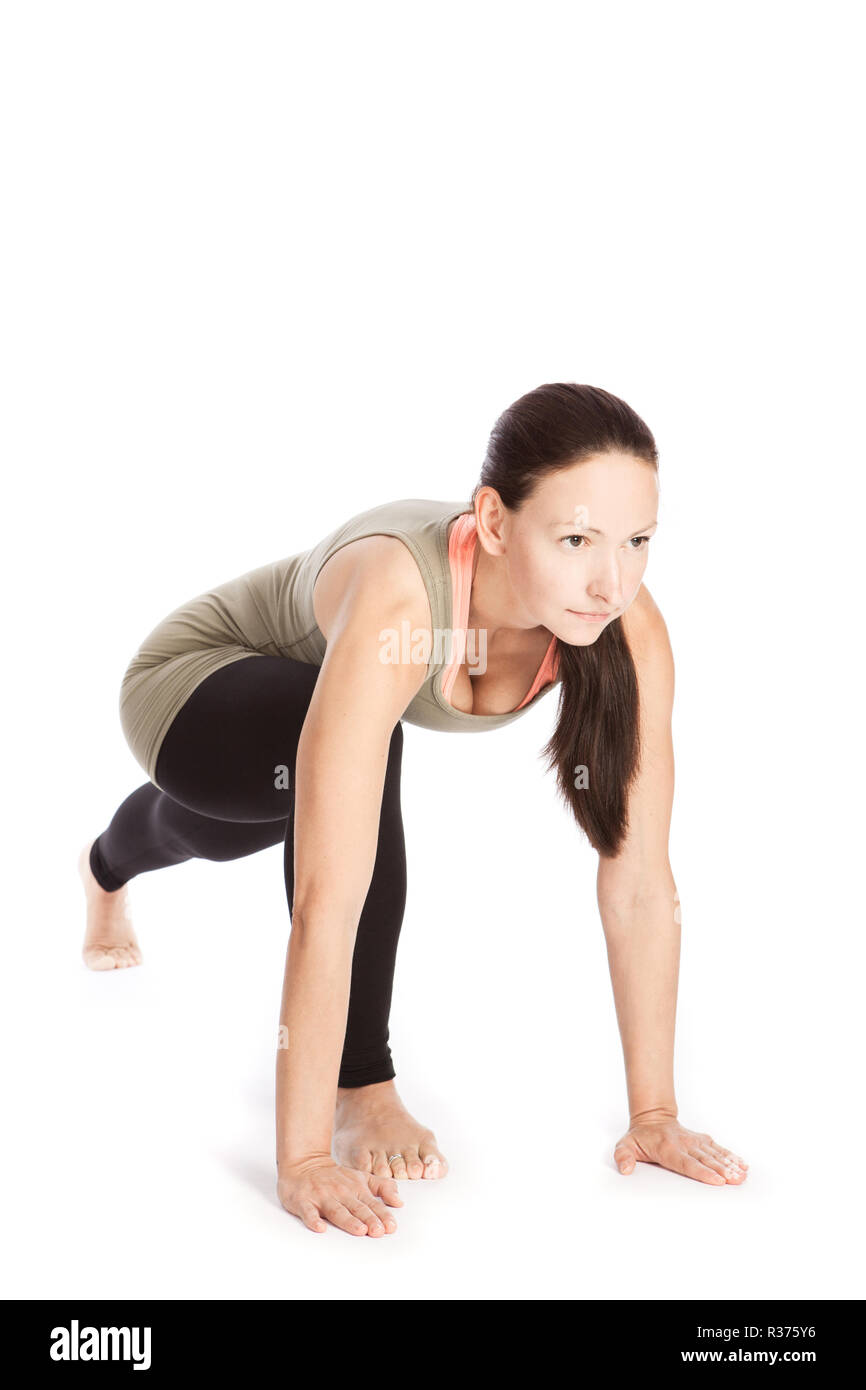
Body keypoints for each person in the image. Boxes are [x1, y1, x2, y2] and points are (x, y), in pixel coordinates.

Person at [78, 382, 749, 1238]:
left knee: (215, 829)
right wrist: (305, 1158)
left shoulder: (624, 626)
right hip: (192, 684)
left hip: (295, 734)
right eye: (576, 538)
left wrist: (655, 1113)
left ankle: (105, 866)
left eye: (638, 541)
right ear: (496, 522)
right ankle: (364, 1084)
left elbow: (643, 882)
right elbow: (331, 896)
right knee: (343, 763)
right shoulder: (406, 599)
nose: (611, 579)